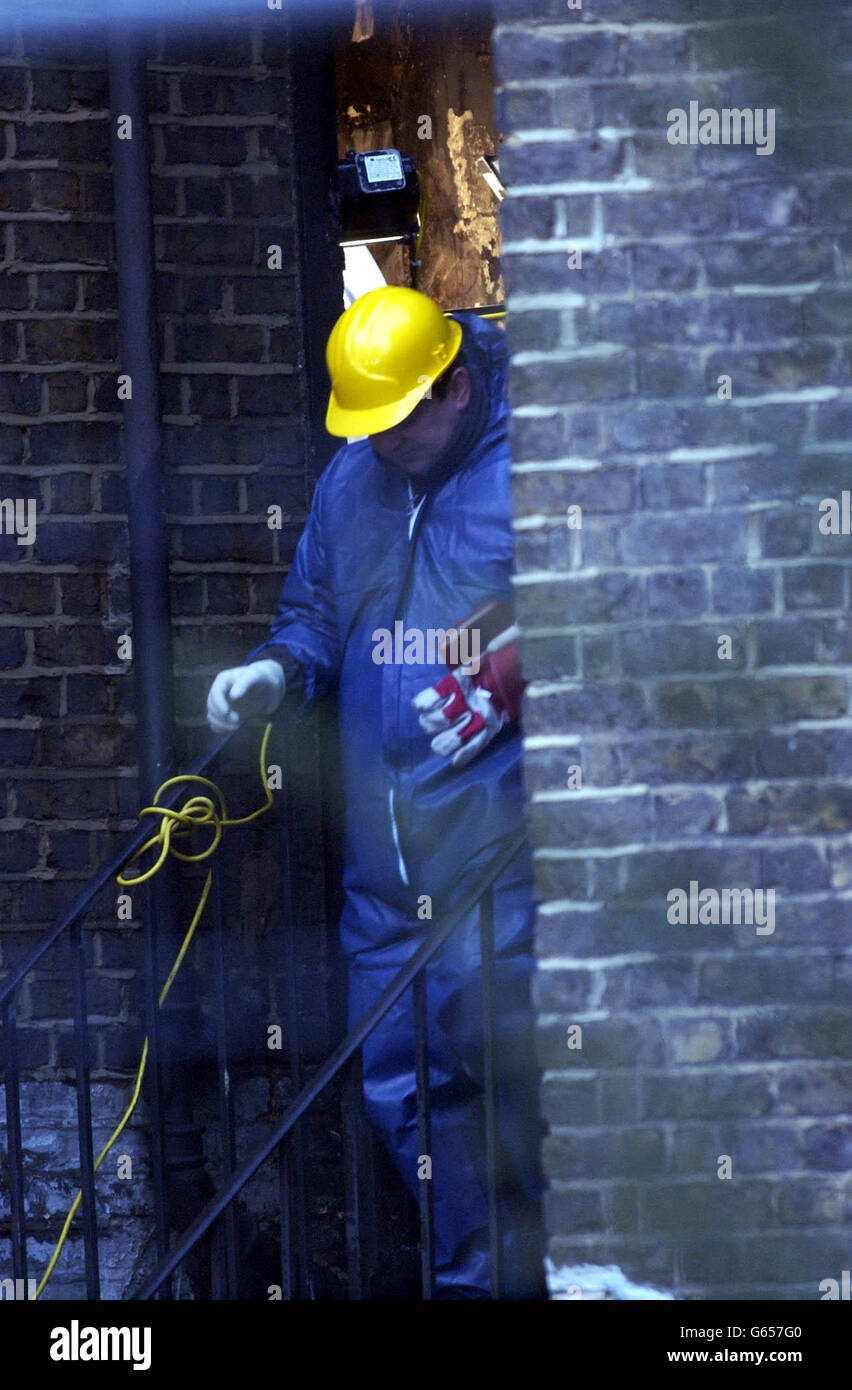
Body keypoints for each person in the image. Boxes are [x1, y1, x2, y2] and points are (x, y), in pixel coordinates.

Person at [206, 286, 545, 1298]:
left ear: (454, 382)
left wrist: (522, 665)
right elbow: (313, 613)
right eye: (367, 424)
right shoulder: (355, 478)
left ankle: (570, 1282)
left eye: (398, 419)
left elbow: (618, 607)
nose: (383, 441)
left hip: (506, 865)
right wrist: (276, 671)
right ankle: (474, 1288)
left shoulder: (546, 461)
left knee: (525, 1100)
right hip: (384, 884)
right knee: (404, 1099)